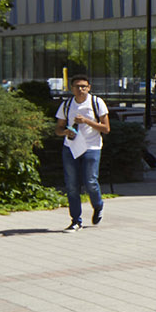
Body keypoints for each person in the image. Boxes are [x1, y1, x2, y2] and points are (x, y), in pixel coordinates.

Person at [56, 75, 109, 230]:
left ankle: (98, 205)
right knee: (71, 185)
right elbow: (58, 129)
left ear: (89, 87)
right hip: (71, 147)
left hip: (92, 147)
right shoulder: (67, 105)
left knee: (90, 182)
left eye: (84, 86)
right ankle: (76, 220)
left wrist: (87, 121)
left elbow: (106, 129)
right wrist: (66, 132)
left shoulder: (96, 102)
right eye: (77, 87)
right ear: (71, 88)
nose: (80, 90)